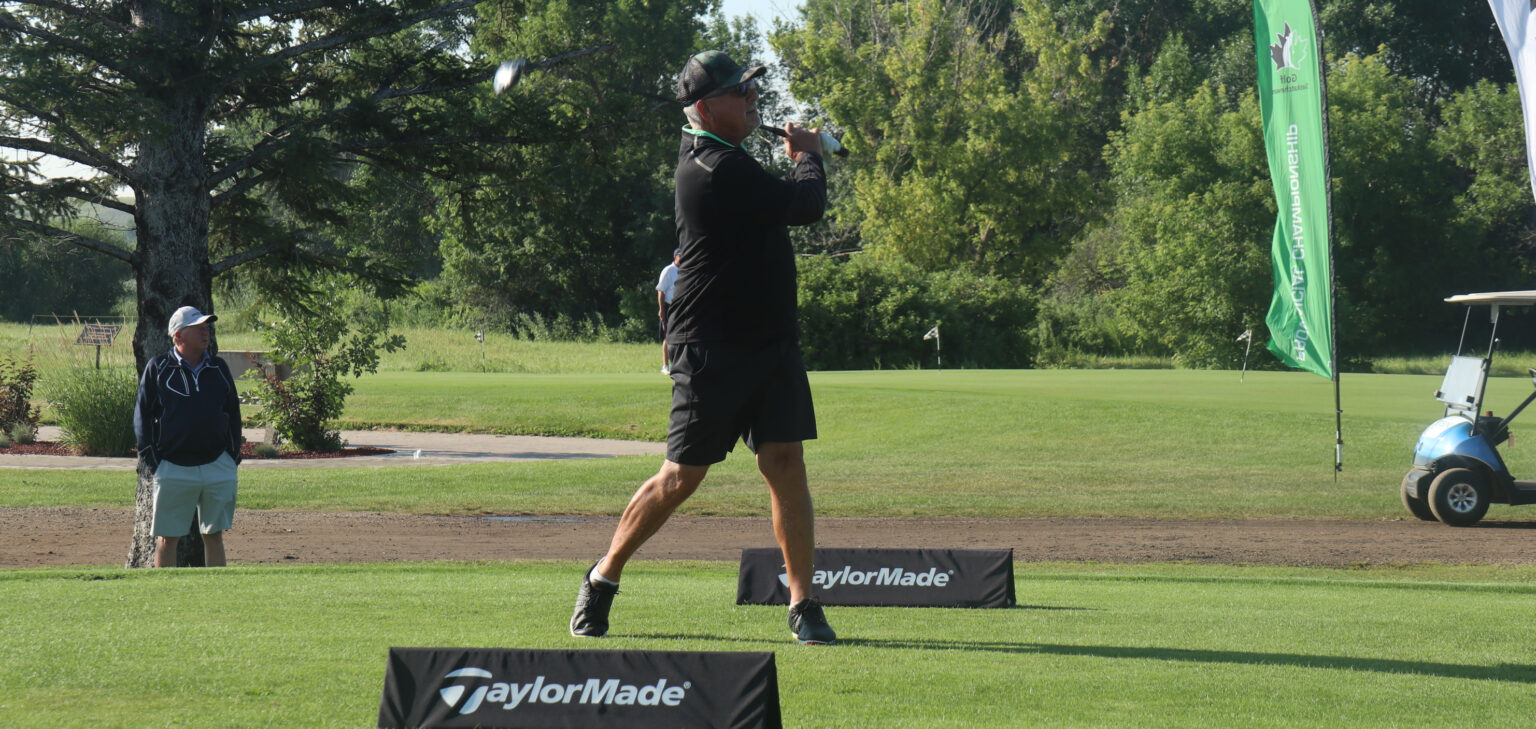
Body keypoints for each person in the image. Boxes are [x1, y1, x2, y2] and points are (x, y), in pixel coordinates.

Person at [571, 50, 836, 645]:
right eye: (741, 91)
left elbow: (781, 202)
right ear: (706, 106)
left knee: (785, 465)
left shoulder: (732, 157)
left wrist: (798, 159)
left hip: (770, 343)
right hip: (712, 346)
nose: (752, 98)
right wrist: (809, 157)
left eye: (751, 88)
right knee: (681, 476)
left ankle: (802, 603)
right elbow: (805, 205)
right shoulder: (713, 167)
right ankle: (603, 577)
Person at [133, 305, 243, 568]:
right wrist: (152, 458)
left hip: (217, 463)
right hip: (173, 466)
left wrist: (232, 454)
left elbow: (233, 412)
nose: (206, 333)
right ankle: (165, 597)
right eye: (199, 328)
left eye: (207, 327)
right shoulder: (158, 368)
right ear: (178, 336)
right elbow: (142, 415)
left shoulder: (218, 367)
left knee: (213, 534)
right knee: (167, 539)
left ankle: (216, 594)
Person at [656, 248, 681, 374]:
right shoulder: (669, 270)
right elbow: (661, 291)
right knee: (667, 336)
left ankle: (678, 363)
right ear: (675, 257)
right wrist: (661, 310)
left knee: (681, 336)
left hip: (681, 307)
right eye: (680, 256)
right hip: (668, 306)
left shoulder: (687, 270)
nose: (682, 258)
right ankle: (665, 365)